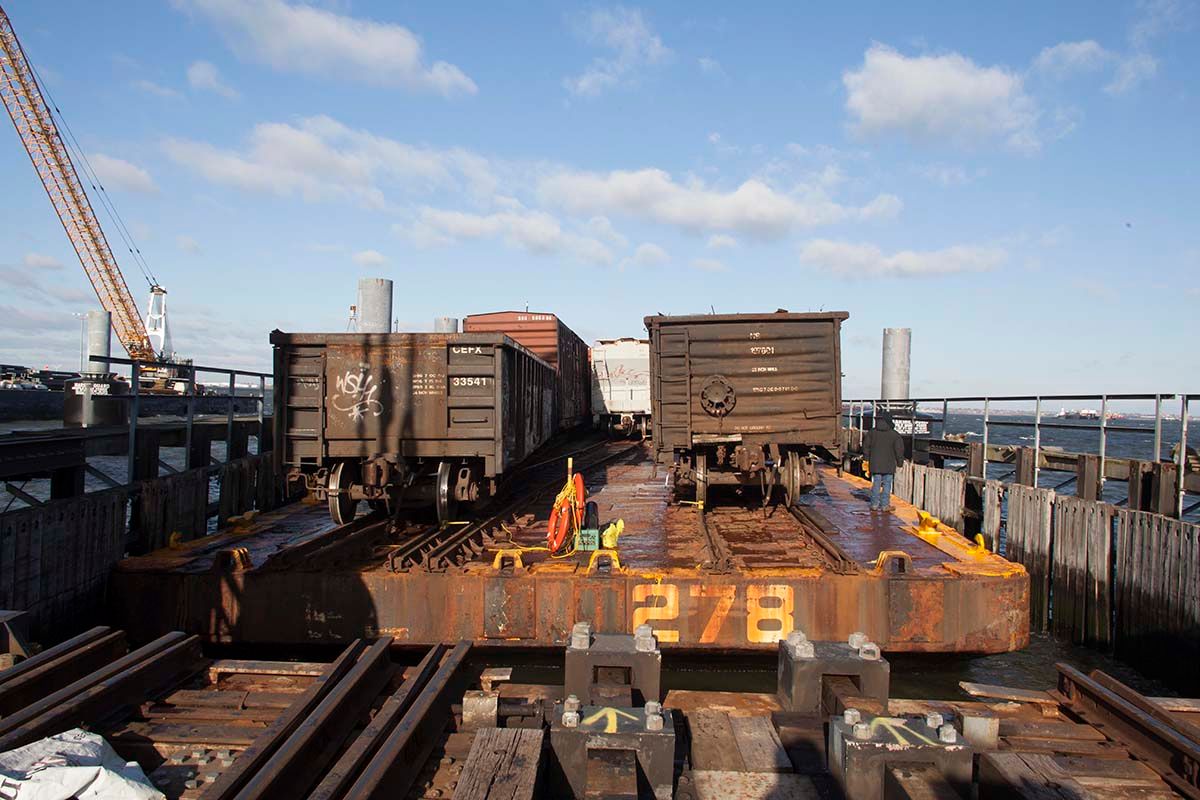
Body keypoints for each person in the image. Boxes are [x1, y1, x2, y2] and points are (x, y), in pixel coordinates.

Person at [865, 413, 905, 511]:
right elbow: (899, 450)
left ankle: (874, 504)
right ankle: (885, 505)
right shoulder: (895, 435)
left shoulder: (872, 432)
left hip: (875, 464)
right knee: (887, 484)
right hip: (889, 464)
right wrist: (900, 462)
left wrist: (866, 458)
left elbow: (866, 446)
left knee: (876, 484)